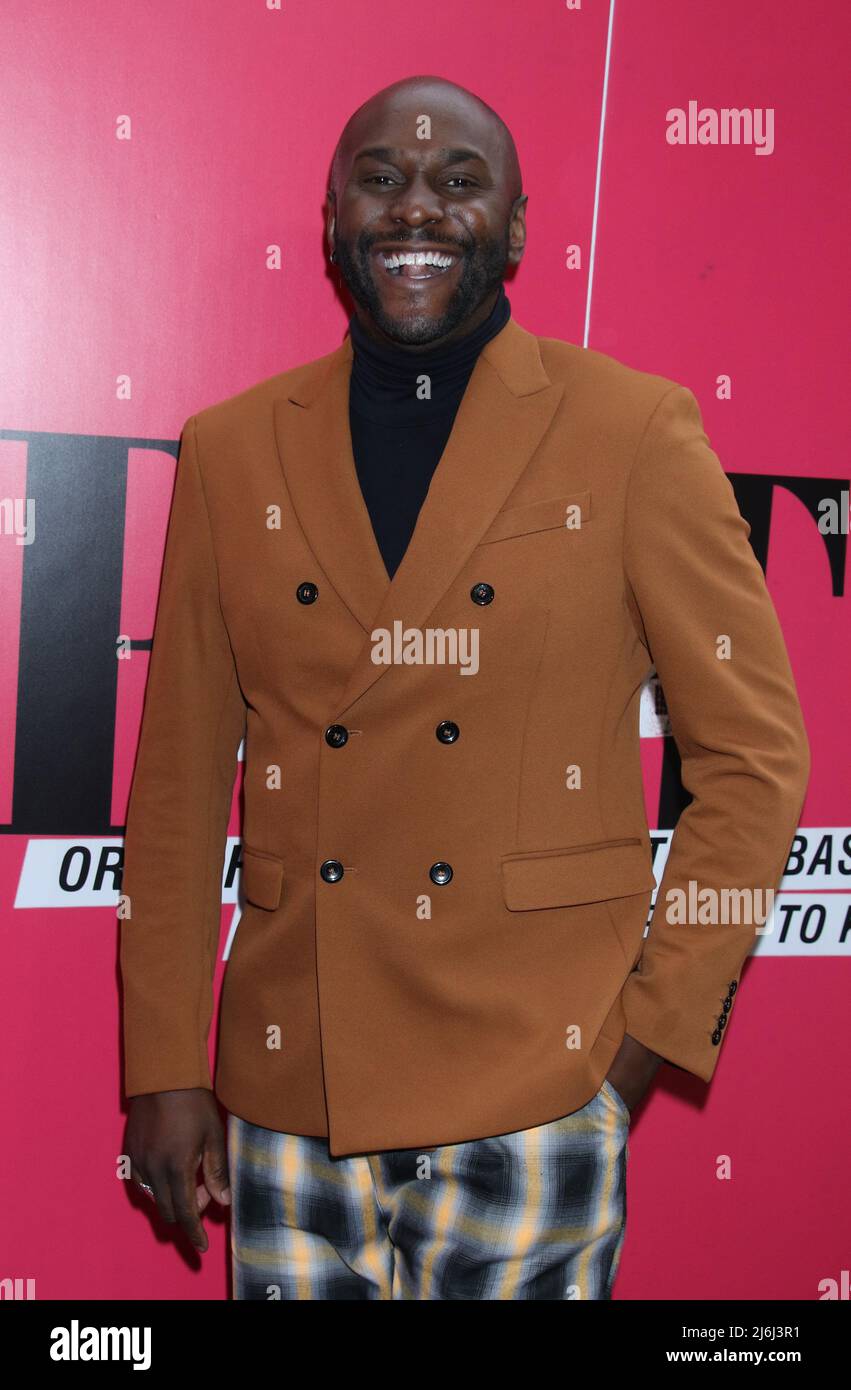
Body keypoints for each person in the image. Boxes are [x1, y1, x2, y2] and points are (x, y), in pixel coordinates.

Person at [120, 75, 810, 1300]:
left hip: (536, 1084)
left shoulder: (630, 432)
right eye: (381, 179)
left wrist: (643, 1046)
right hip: (294, 1088)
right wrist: (165, 1065)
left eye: (455, 181)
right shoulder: (231, 450)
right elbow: (177, 787)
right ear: (331, 212)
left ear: (520, 224)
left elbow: (752, 758)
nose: (415, 210)